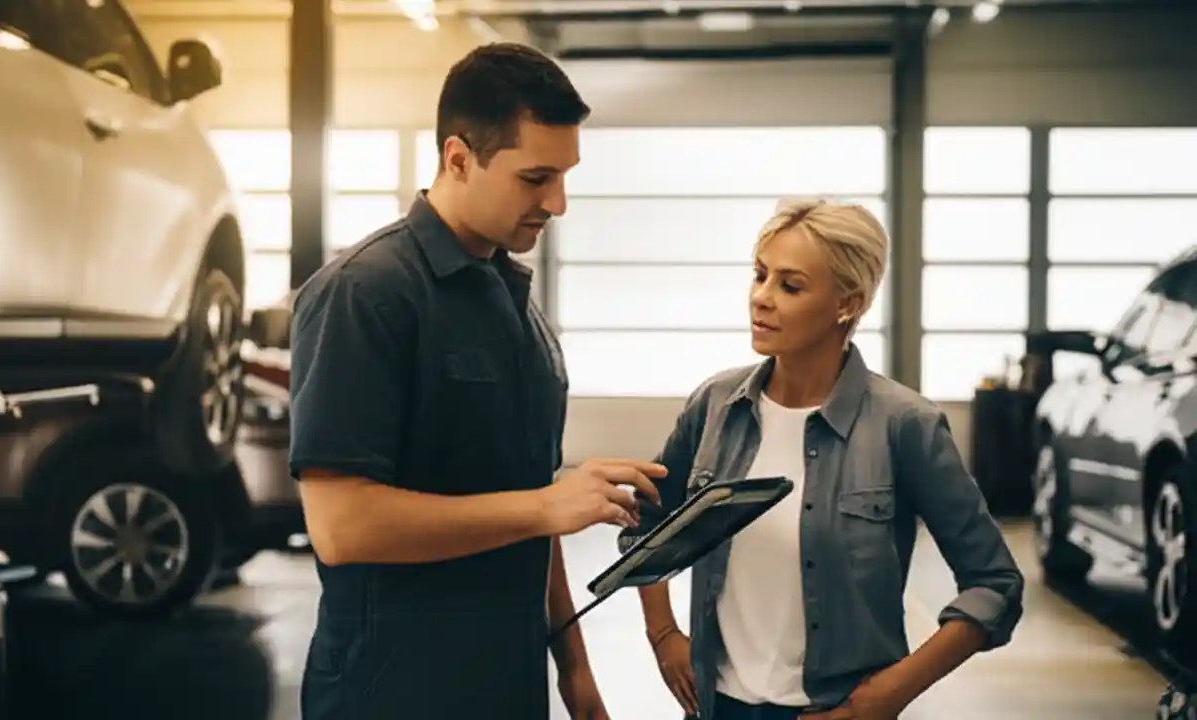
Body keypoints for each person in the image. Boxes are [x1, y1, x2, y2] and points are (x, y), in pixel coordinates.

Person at [288, 42, 667, 720]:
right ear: (458, 158)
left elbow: (537, 507)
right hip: (393, 695)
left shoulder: (515, 305)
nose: (558, 203)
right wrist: (545, 506)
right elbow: (342, 525)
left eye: (564, 176)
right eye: (535, 178)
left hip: (508, 685)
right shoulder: (365, 294)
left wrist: (574, 670)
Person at [621, 199, 1025, 720]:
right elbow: (647, 521)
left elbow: (994, 585)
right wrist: (662, 634)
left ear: (847, 304)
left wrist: (892, 693)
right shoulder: (715, 406)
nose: (761, 297)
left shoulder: (906, 425)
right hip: (715, 707)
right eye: (760, 275)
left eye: (790, 286)